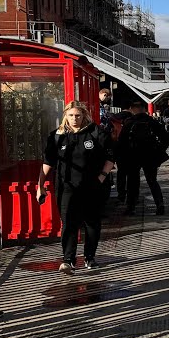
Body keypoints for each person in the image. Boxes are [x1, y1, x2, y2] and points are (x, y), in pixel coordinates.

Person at [36, 102, 115, 273]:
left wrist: (101, 176)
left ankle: (89, 257)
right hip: (67, 187)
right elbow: (48, 162)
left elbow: (110, 157)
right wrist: (40, 185)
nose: (74, 119)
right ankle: (68, 260)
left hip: (92, 186)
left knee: (91, 223)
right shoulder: (57, 136)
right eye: (71, 115)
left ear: (84, 115)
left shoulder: (96, 133)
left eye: (78, 115)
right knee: (69, 223)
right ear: (65, 115)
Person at [119, 101, 169, 215]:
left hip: (133, 156)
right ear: (143, 109)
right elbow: (165, 138)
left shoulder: (129, 123)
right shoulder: (152, 122)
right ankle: (160, 205)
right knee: (152, 181)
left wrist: (122, 157)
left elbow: (122, 142)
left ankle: (130, 207)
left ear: (133, 109)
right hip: (150, 156)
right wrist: (159, 151)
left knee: (132, 182)